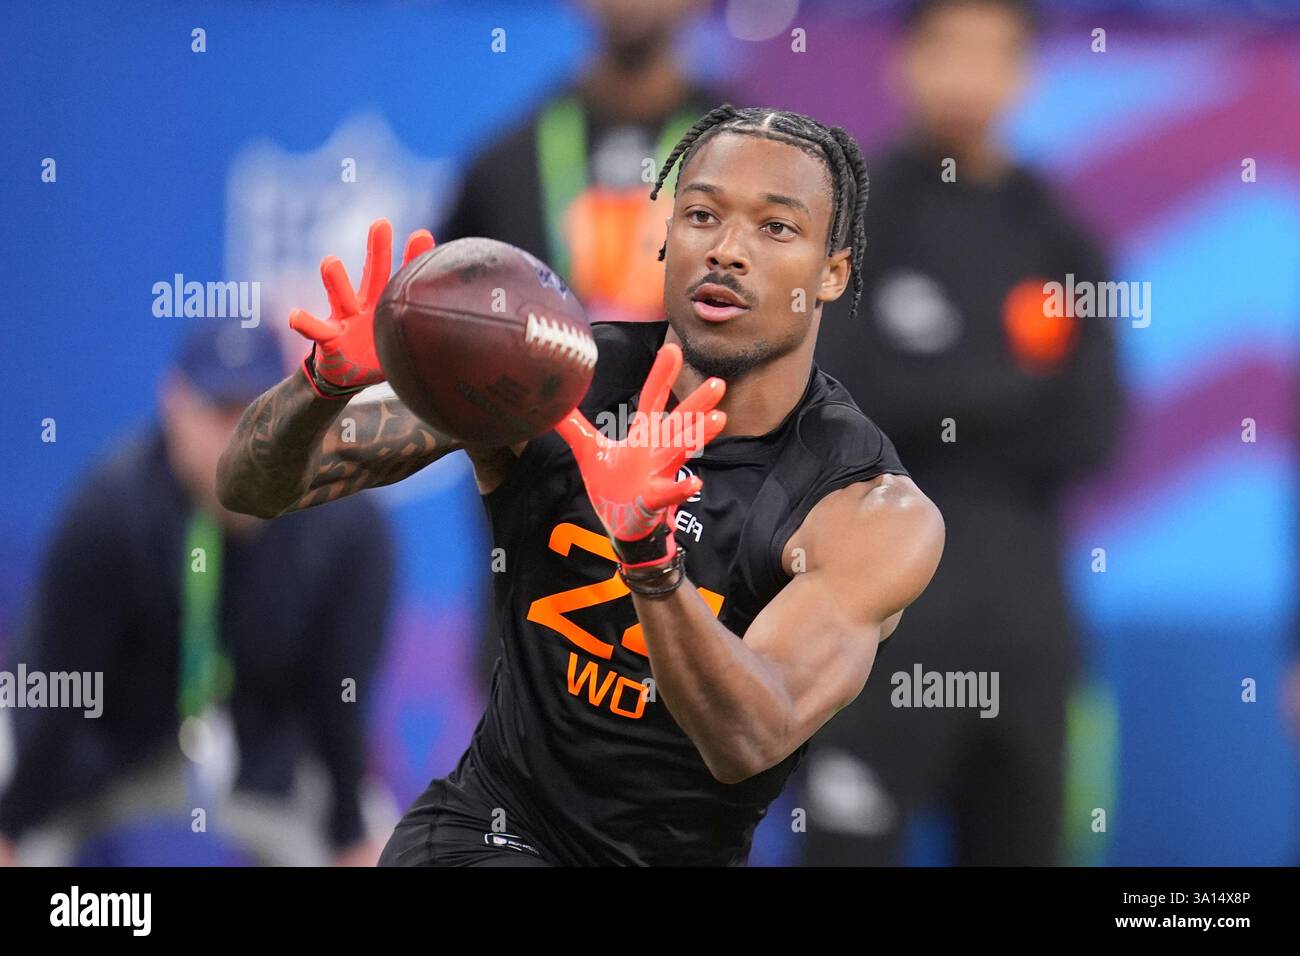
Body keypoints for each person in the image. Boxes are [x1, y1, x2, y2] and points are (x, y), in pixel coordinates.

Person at [217, 105, 946, 866]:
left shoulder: (866, 510)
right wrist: (321, 386)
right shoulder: (551, 384)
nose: (728, 251)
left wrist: (648, 557)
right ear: (664, 237)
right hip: (486, 835)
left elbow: (748, 739)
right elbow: (251, 488)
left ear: (832, 273)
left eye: (776, 228)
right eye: (701, 215)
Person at [802, 0, 1125, 865]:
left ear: (1024, 74)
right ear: (904, 61)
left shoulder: (1063, 237)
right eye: (947, 50)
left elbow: (1093, 429)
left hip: (1026, 637)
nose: (966, 79)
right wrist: (1015, 384)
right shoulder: (846, 220)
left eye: (993, 55)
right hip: (865, 635)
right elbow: (833, 407)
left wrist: (934, 393)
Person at [0, 322, 394, 867]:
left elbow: (339, 699)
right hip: (101, 749)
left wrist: (349, 835)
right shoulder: (108, 513)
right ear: (174, 404)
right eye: (217, 410)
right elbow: (54, 686)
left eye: (254, 413)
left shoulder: (348, 529)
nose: (234, 438)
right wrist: (13, 825)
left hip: (265, 758)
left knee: (387, 850)